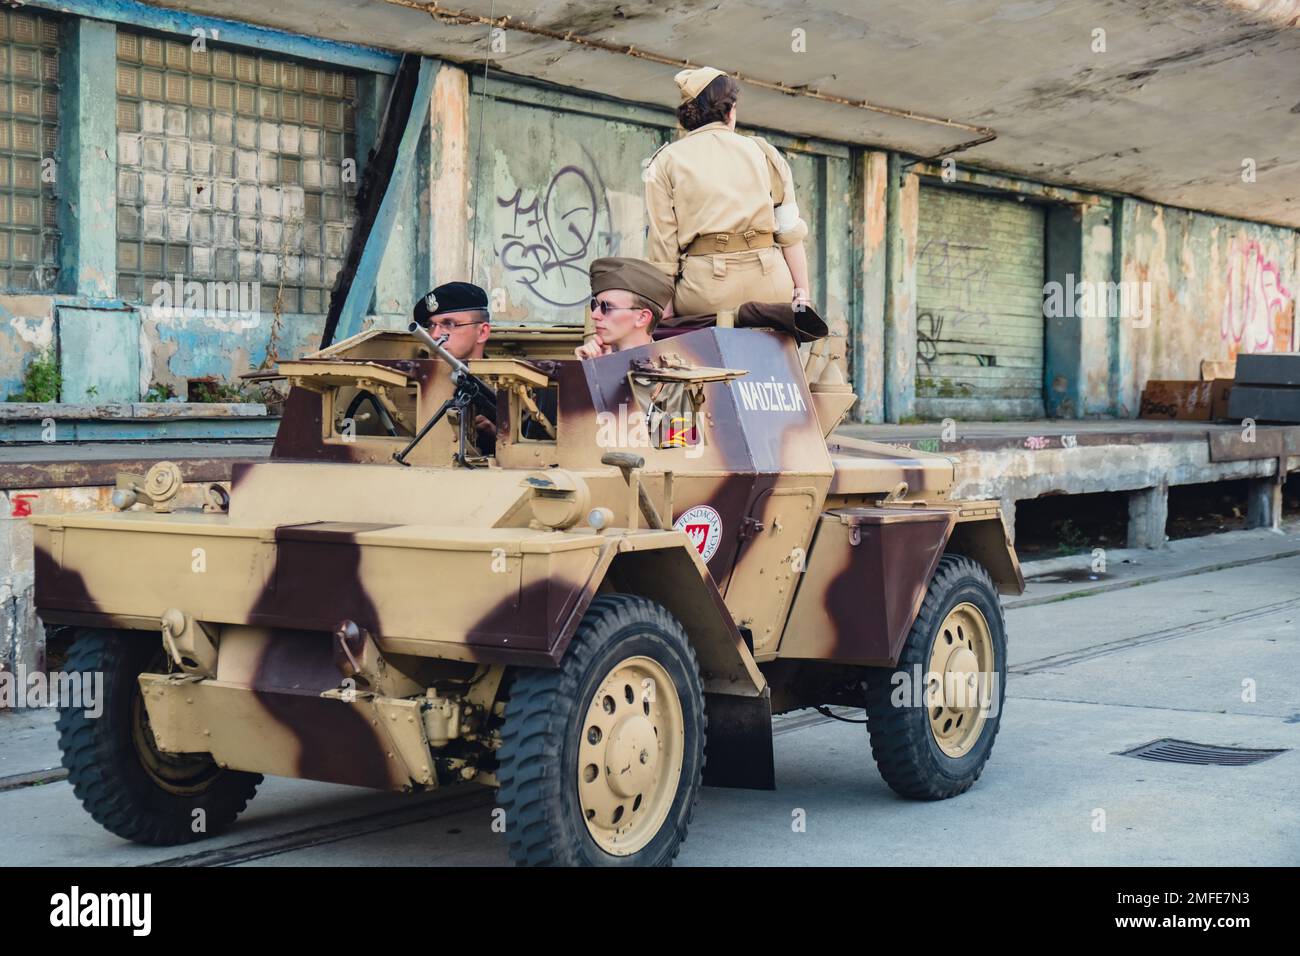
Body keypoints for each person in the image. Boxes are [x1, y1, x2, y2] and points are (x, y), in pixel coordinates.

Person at [643, 66, 812, 320]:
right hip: (771, 288)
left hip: (707, 294)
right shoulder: (763, 151)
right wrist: (803, 294)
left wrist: (666, 312)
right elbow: (789, 231)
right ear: (730, 111)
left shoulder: (665, 162)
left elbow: (663, 247)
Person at [412, 281, 496, 452]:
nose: (435, 335)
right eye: (431, 325)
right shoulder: (416, 383)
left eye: (449, 324)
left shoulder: (511, 387)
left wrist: (497, 437)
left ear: (482, 332)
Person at [574, 257, 676, 360]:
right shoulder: (592, 358)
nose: (594, 315)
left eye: (606, 307)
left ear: (642, 318)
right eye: (595, 305)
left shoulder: (671, 369)